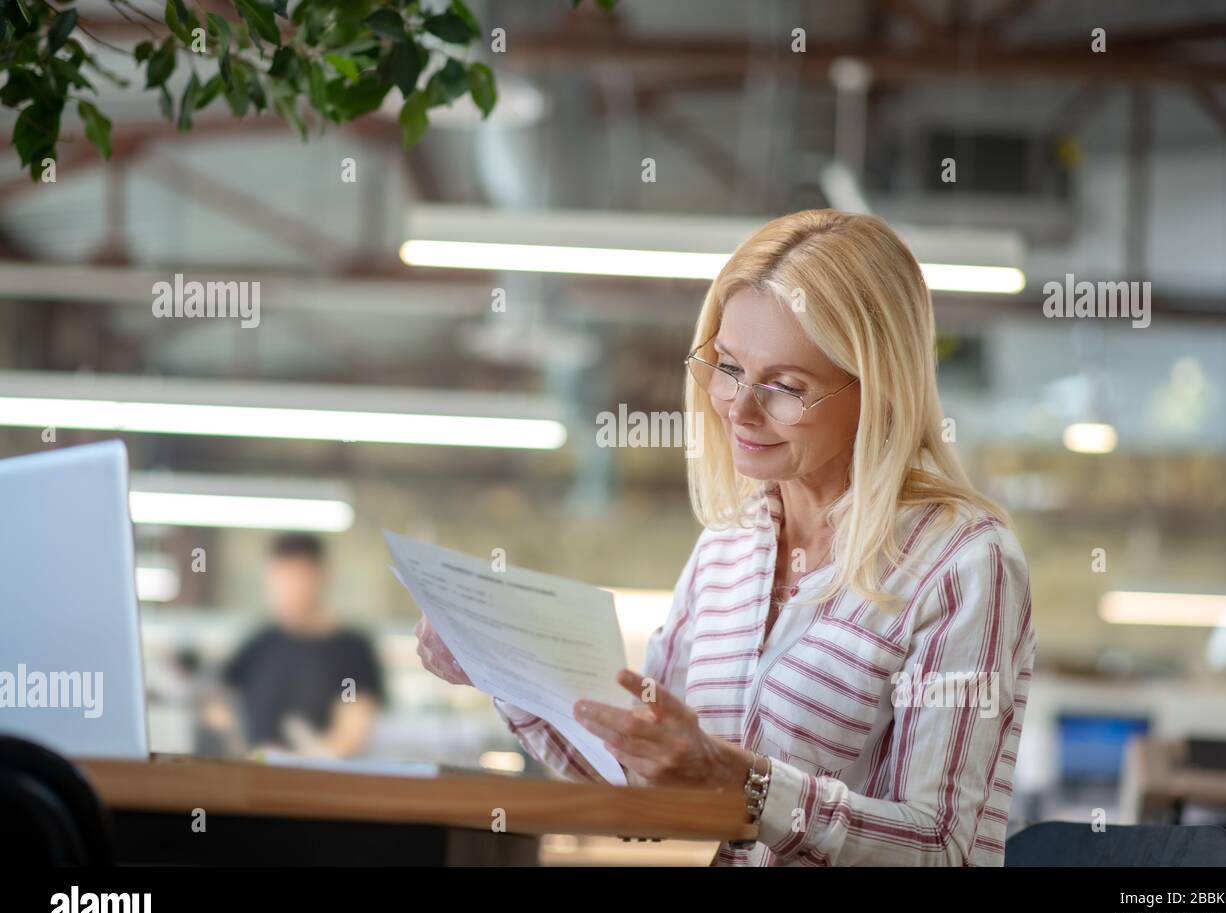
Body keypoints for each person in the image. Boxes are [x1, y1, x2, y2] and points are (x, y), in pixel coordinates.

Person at [415, 209, 1036, 866]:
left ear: (878, 391)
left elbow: (946, 848)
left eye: (785, 387)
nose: (738, 407)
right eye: (728, 366)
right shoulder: (729, 547)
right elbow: (640, 786)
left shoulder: (964, 564)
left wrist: (739, 782)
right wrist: (505, 670)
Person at [219, 533, 384, 758]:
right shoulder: (259, 645)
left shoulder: (352, 651)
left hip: (319, 784)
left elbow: (352, 733)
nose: (285, 591)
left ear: (320, 577)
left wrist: (300, 762)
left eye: (295, 579)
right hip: (253, 779)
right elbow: (219, 706)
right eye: (277, 580)